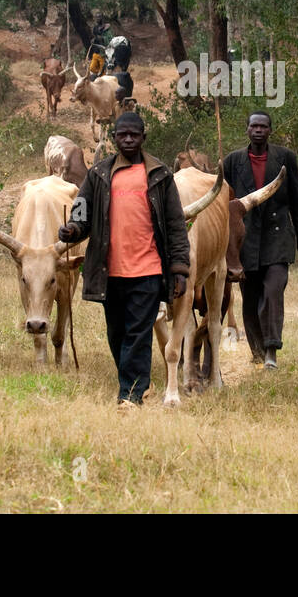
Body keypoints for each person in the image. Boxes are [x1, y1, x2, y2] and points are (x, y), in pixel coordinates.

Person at [58, 111, 189, 409]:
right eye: (122, 134)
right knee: (117, 334)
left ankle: (130, 396)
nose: (128, 139)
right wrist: (73, 228)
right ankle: (135, 383)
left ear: (143, 137)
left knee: (138, 333)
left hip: (148, 269)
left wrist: (180, 267)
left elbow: (176, 223)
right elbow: (82, 207)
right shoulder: (99, 173)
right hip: (110, 271)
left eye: (134, 134)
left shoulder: (160, 174)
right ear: (114, 138)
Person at [222, 111, 298, 369]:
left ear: (270, 130)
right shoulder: (232, 161)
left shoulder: (285, 158)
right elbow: (223, 204)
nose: (258, 130)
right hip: (244, 242)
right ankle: (258, 351)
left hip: (277, 238)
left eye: (263, 126)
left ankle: (272, 348)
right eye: (254, 126)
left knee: (273, 291)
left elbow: (297, 201)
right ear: (247, 130)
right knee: (249, 299)